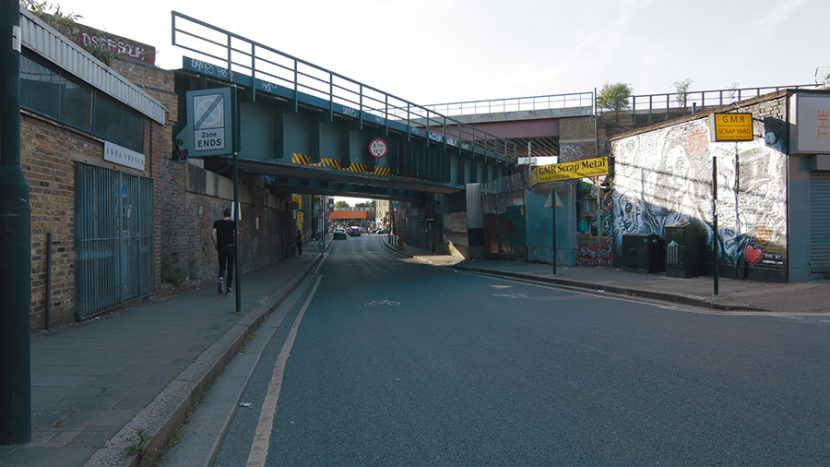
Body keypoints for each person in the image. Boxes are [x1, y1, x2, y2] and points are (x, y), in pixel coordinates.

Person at [211, 207, 235, 295]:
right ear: (230, 214)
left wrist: (216, 244)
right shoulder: (232, 223)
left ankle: (220, 278)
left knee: (222, 266)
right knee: (230, 267)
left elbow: (212, 234)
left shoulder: (217, 223)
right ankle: (228, 288)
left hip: (221, 247)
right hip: (230, 246)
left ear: (223, 214)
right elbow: (236, 234)